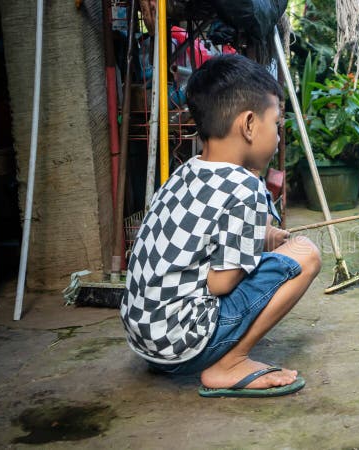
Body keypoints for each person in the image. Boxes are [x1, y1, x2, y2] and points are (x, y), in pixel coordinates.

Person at [120, 54, 321, 398]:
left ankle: (212, 355)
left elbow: (201, 242)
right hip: (182, 345)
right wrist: (263, 250)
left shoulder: (186, 172)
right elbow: (221, 281)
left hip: (146, 339)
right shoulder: (246, 188)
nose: (277, 135)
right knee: (307, 255)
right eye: (276, 124)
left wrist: (263, 238)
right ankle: (229, 364)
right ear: (248, 125)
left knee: (280, 251)